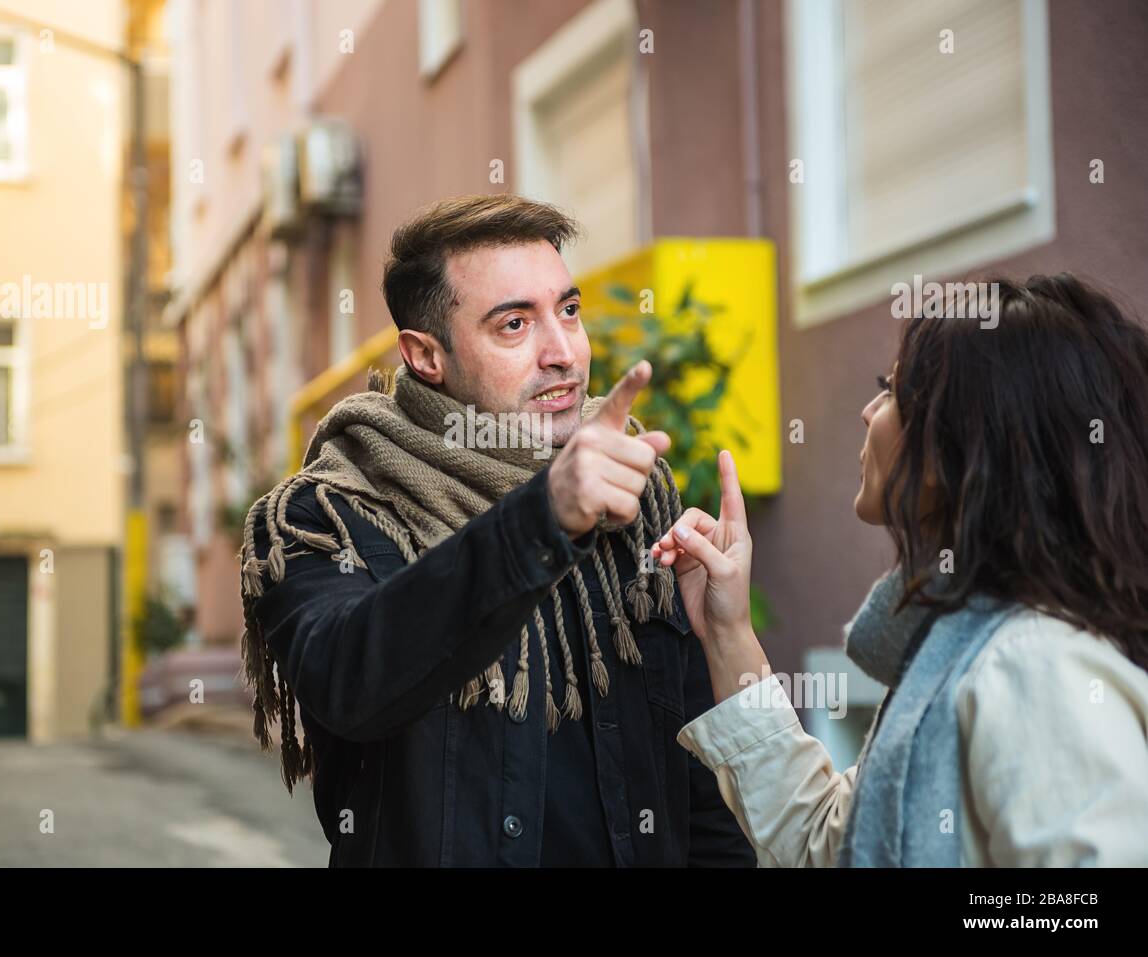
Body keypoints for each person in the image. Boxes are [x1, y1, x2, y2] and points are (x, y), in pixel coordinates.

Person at [238, 194, 753, 866]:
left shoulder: (630, 492)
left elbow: (698, 793)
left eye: (569, 310)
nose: (562, 352)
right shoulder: (323, 514)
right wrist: (543, 519)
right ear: (426, 355)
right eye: (514, 324)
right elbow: (350, 683)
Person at [652, 273, 1148, 866]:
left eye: (890, 390)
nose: (868, 413)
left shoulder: (1032, 664)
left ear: (960, 444)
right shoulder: (966, 650)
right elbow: (823, 843)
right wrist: (727, 628)